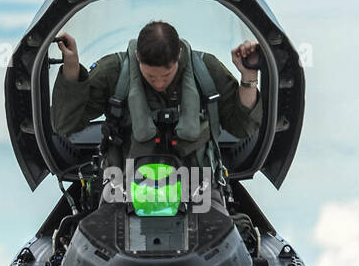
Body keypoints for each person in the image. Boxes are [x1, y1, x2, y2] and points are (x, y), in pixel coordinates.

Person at [50, 21, 263, 176]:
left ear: (178, 56)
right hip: (124, 183)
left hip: (198, 183)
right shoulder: (114, 73)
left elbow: (242, 127)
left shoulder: (206, 71)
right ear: (137, 58)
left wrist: (249, 75)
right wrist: (71, 67)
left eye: (166, 75)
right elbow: (65, 124)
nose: (159, 83)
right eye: (151, 76)